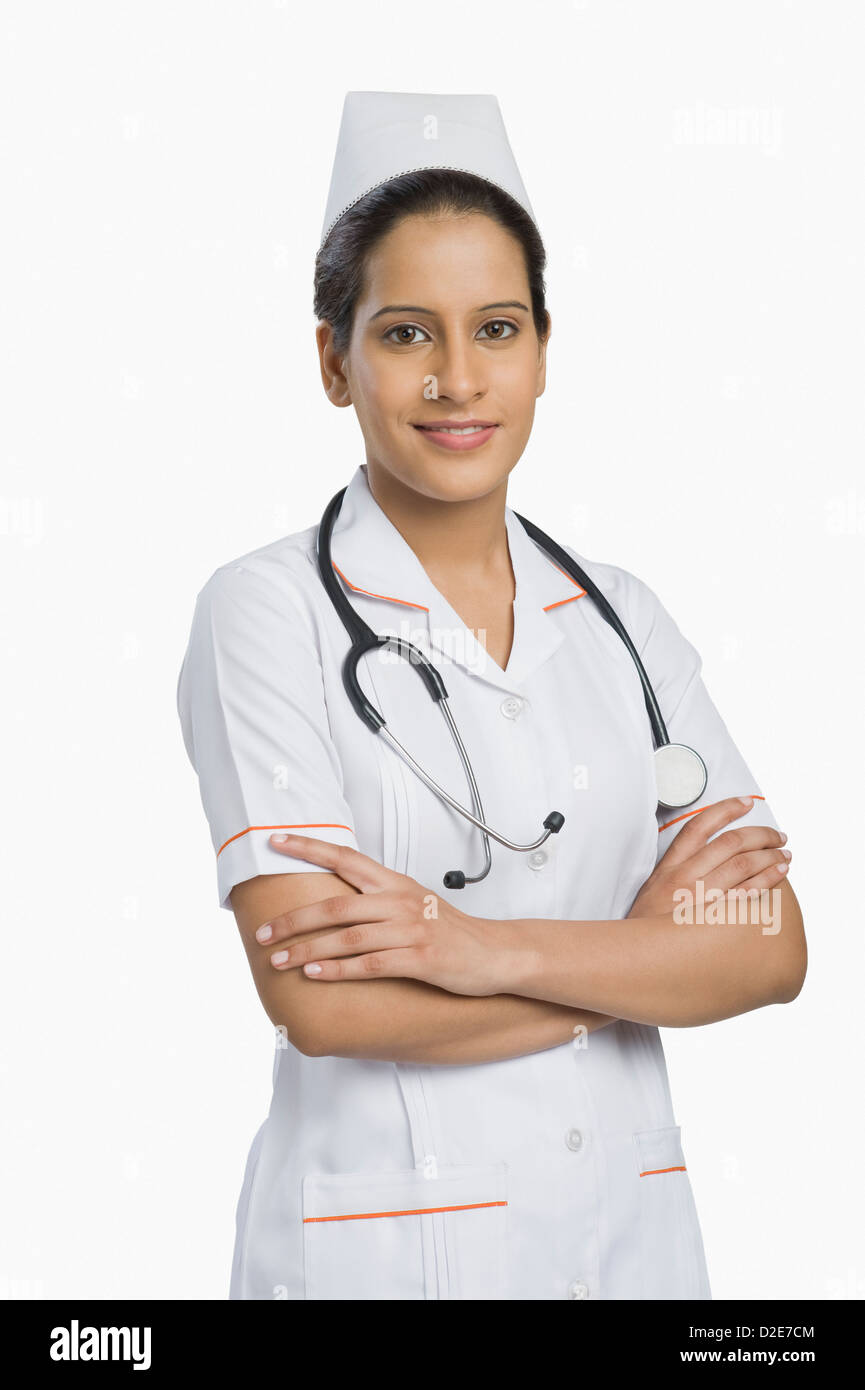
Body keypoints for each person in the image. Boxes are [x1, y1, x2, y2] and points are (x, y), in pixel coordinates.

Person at [176, 92, 806, 1301]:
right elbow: (316, 999)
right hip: (388, 1251)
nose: (460, 380)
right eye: (407, 333)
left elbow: (769, 951)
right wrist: (635, 957)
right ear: (332, 359)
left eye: (498, 328)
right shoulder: (266, 611)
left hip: (630, 1249)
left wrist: (475, 950)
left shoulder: (622, 618)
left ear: (544, 350)